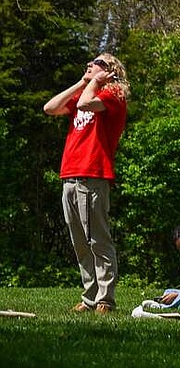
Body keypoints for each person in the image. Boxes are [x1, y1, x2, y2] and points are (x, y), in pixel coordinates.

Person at [43, 53, 129, 314]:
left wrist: (96, 82)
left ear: (110, 71)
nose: (90, 65)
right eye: (90, 63)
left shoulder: (112, 96)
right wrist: (83, 81)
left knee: (98, 240)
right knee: (80, 243)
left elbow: (85, 104)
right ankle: (89, 297)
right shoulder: (86, 92)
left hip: (93, 175)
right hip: (70, 175)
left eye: (98, 63)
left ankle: (105, 299)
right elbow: (50, 107)